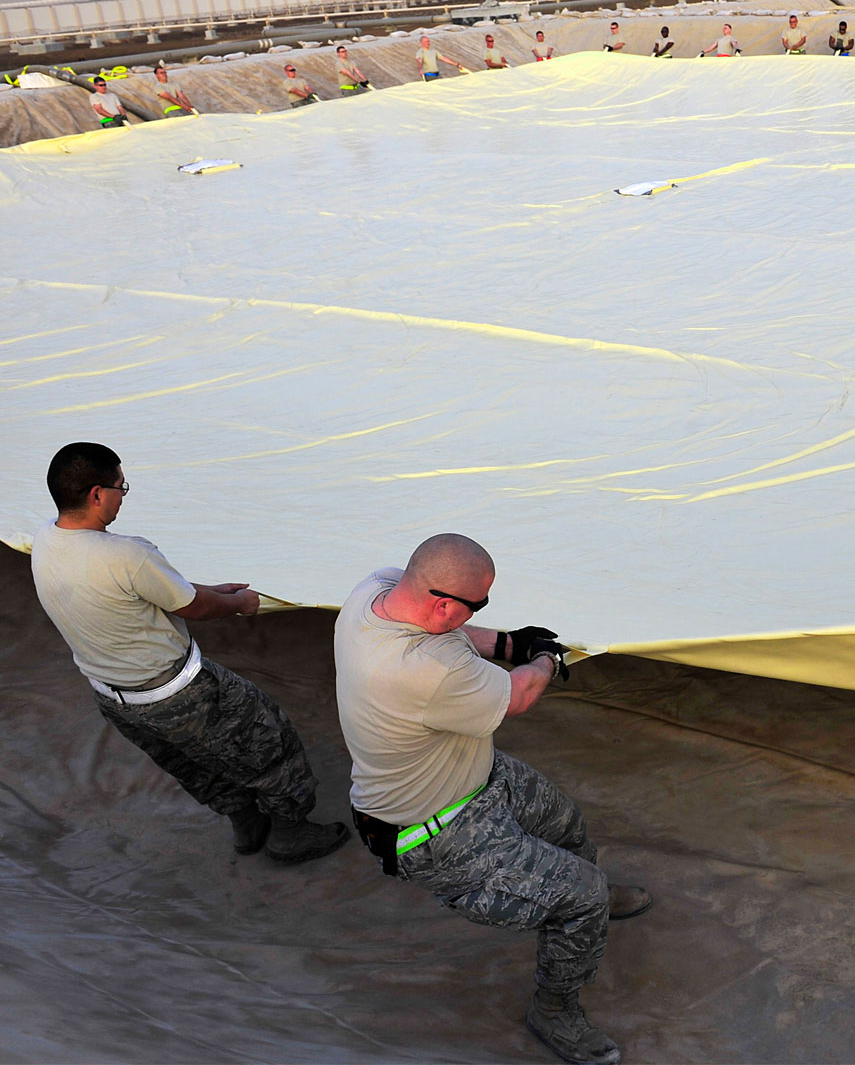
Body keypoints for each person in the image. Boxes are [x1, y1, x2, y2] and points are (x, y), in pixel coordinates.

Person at [337, 534, 651, 1065]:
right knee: (582, 897)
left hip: (470, 774)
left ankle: (586, 901)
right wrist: (545, 657)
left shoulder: (376, 590)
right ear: (440, 601)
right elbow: (520, 694)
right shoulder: (425, 671)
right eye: (476, 605)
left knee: (567, 825)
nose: (479, 613)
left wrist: (509, 642)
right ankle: (555, 1008)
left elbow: (456, 634)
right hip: (433, 831)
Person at [30, 443, 349, 865]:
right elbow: (192, 608)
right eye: (120, 486)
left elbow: (156, 590)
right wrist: (239, 604)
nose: (123, 494)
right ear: (96, 495)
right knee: (270, 740)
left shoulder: (46, 540)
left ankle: (246, 823)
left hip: (114, 699)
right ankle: (290, 832)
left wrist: (216, 590)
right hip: (178, 694)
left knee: (191, 763)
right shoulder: (125, 554)